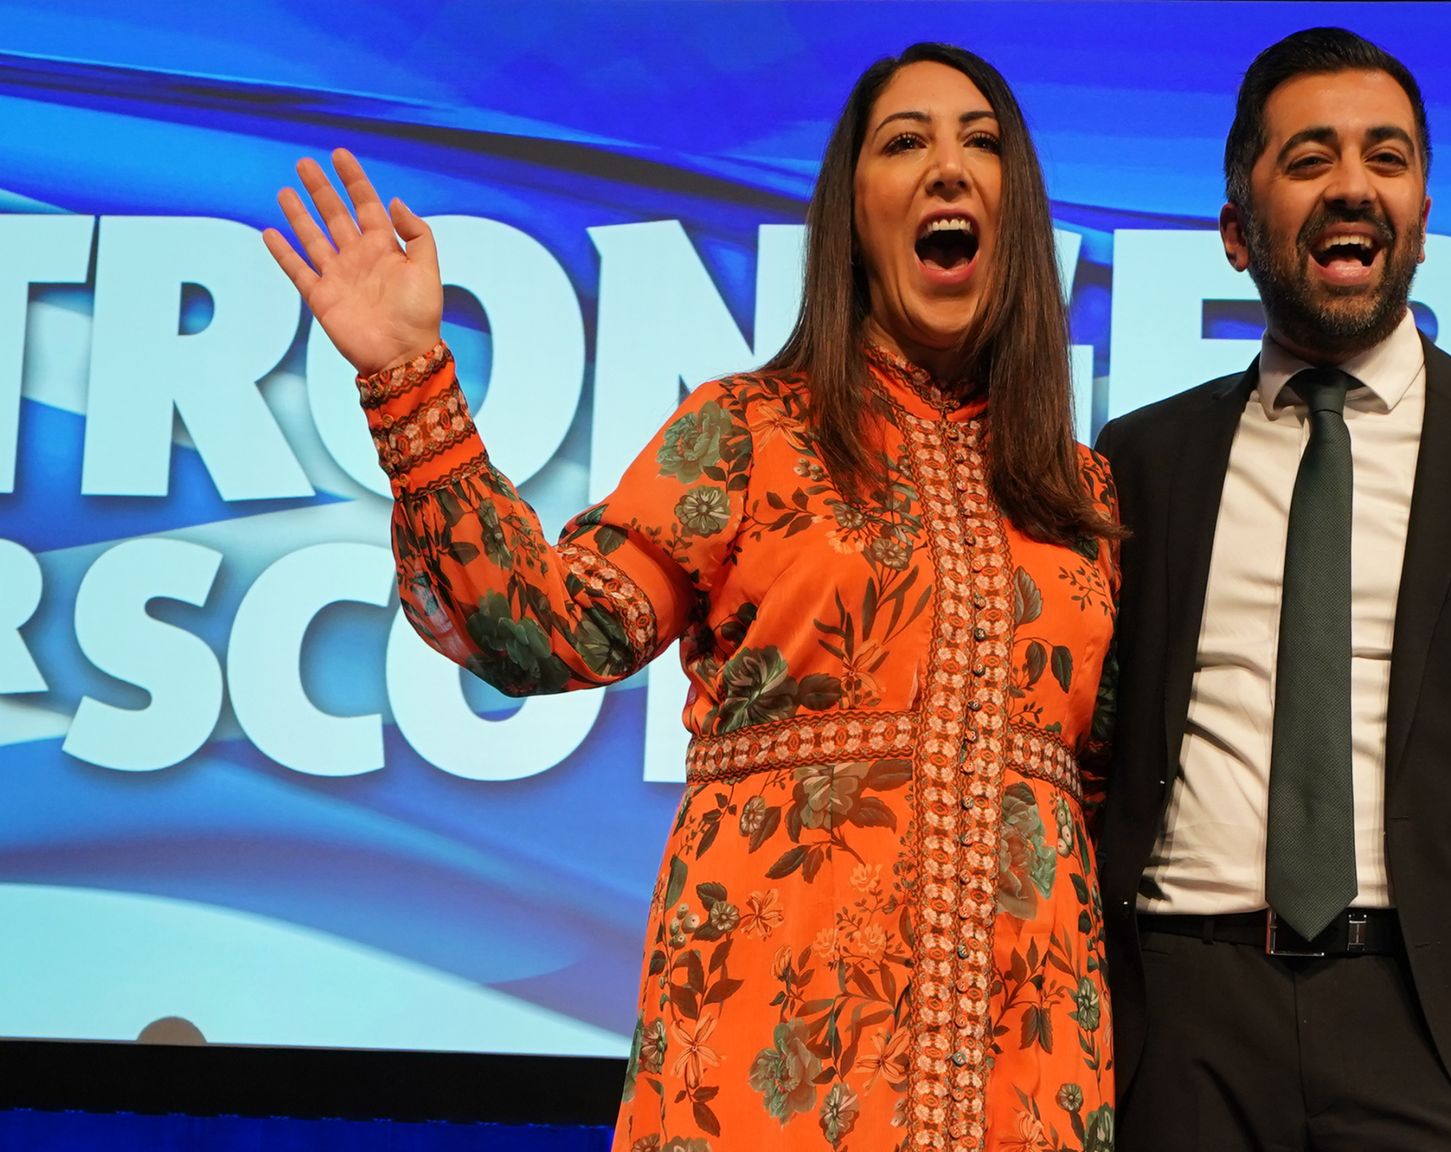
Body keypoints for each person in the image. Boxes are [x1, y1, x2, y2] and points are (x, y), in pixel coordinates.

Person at [263, 43, 1121, 1152]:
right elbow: (546, 632)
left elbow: (1108, 799)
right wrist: (409, 380)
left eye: (981, 143)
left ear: (1019, 212)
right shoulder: (750, 431)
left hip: (1024, 1076)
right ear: (852, 214)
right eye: (904, 141)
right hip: (776, 1066)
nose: (948, 168)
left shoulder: (1079, 492)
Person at [1094, 27, 1451, 1152]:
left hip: (1438, 1027)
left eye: (1385, 157)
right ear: (1232, 230)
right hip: (1177, 1015)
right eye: (1308, 158)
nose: (1353, 183)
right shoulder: (1138, 460)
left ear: (1421, 214)